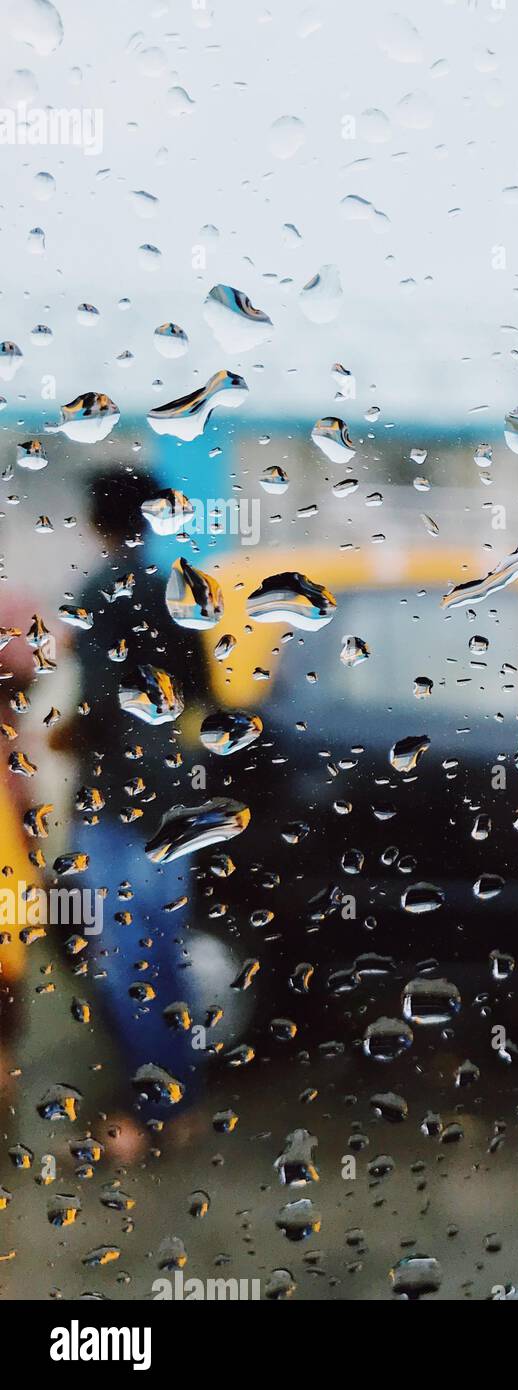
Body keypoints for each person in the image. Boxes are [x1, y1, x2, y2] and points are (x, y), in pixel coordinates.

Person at [57, 467, 215, 1146]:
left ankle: (151, 1115)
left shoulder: (97, 597)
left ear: (96, 523)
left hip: (115, 802)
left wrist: (62, 735)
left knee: (126, 963)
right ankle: (182, 1103)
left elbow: (95, 709)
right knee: (167, 955)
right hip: (172, 804)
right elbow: (204, 693)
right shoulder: (176, 591)